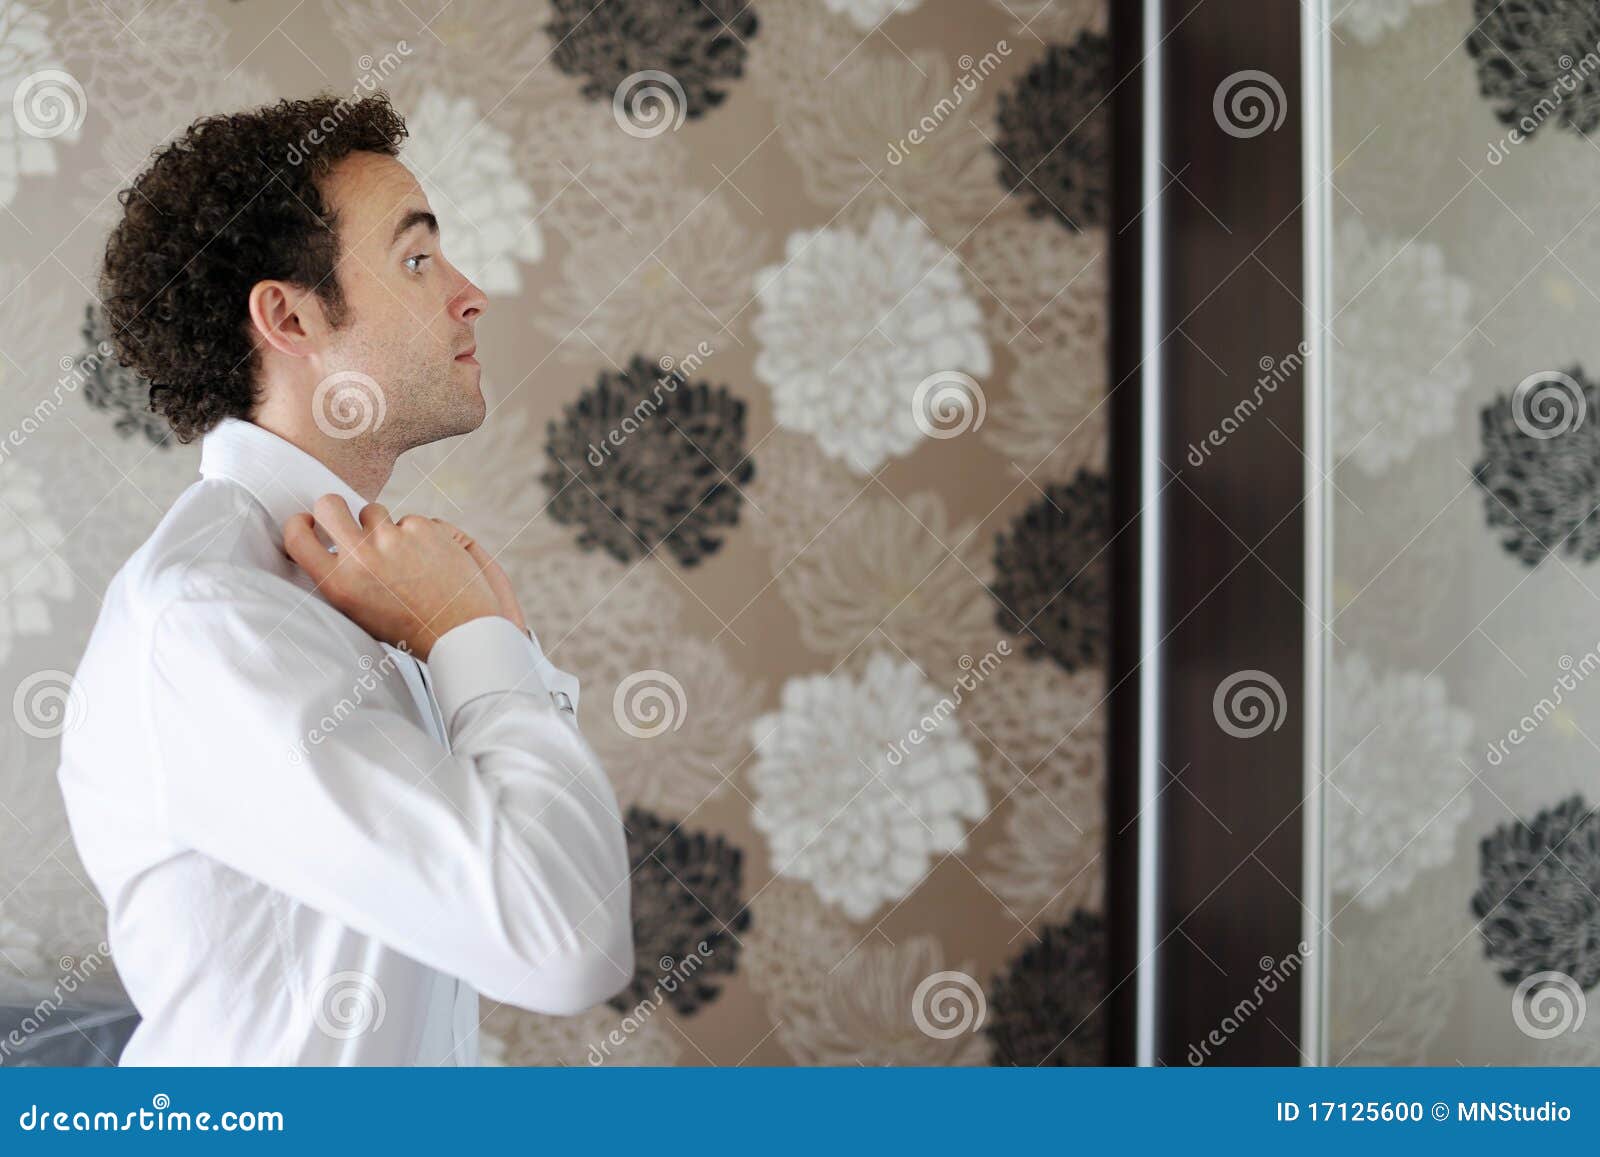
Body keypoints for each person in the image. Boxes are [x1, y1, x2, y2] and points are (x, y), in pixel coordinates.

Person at [55, 92, 634, 1065]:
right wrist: (475, 639)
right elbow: (562, 941)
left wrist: (479, 641)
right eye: (416, 258)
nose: (469, 293)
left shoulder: (370, 581)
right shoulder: (214, 622)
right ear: (287, 314)